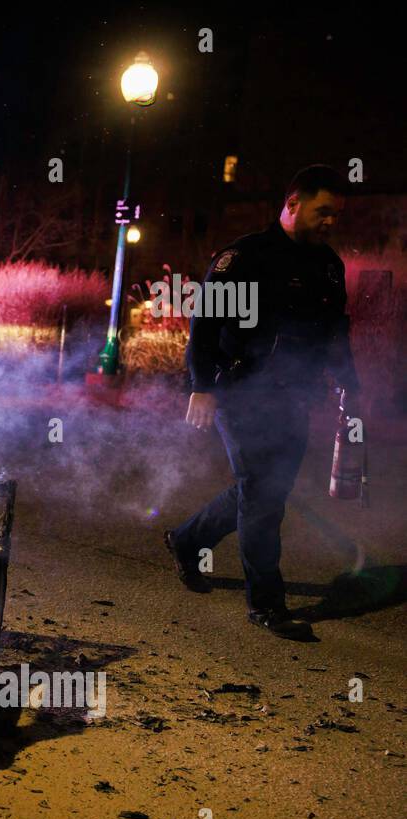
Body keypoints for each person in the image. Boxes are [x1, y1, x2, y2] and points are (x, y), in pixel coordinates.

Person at [165, 165, 360, 639]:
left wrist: (350, 383)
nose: (331, 221)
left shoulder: (327, 265)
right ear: (292, 205)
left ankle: (187, 540)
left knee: (265, 489)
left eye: (337, 214)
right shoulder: (247, 257)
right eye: (323, 211)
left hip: (295, 395)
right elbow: (205, 327)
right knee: (262, 494)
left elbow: (335, 332)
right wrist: (202, 386)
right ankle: (267, 605)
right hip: (240, 392)